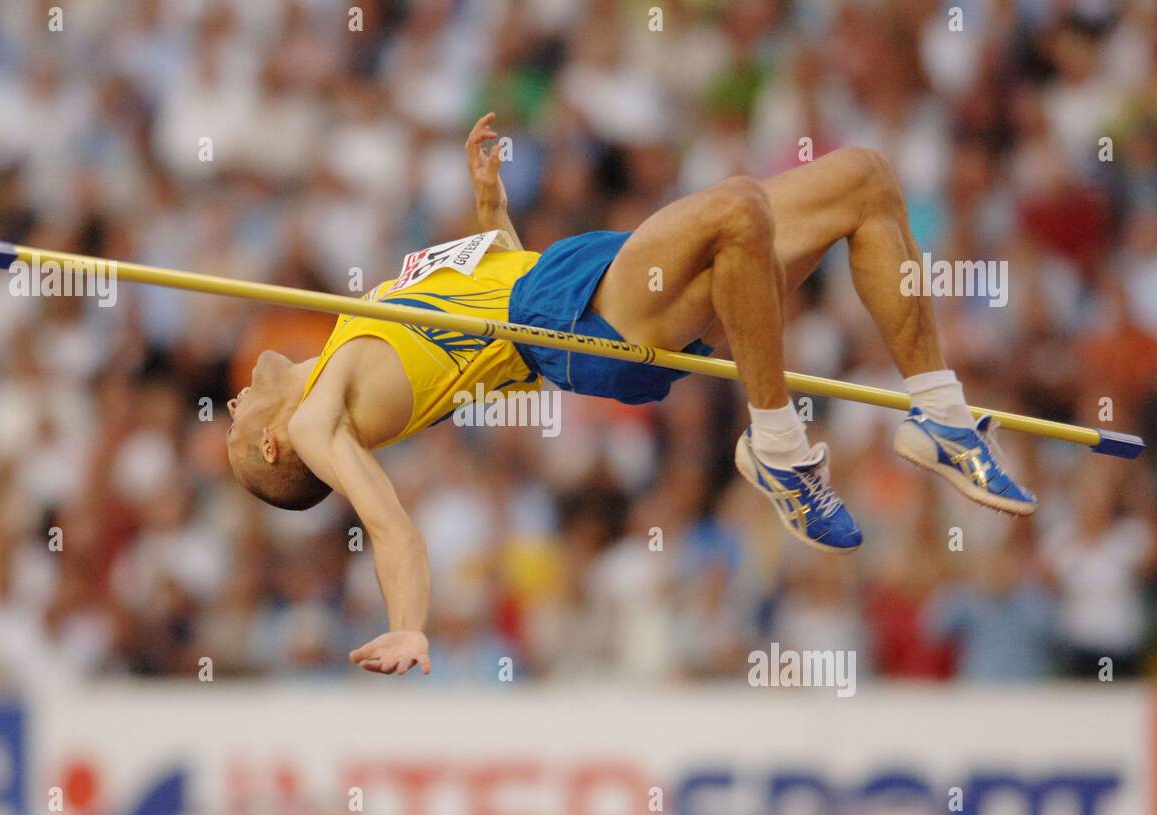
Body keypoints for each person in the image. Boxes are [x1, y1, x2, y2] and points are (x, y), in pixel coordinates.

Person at [225, 113, 1035, 675]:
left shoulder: (343, 339)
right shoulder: (326, 421)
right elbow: (392, 528)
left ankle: (939, 412)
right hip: (570, 322)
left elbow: (487, 300)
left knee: (864, 180)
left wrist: (490, 209)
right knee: (736, 208)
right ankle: (779, 448)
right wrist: (408, 625)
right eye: (234, 424)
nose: (230, 405)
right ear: (275, 444)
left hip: (560, 285)